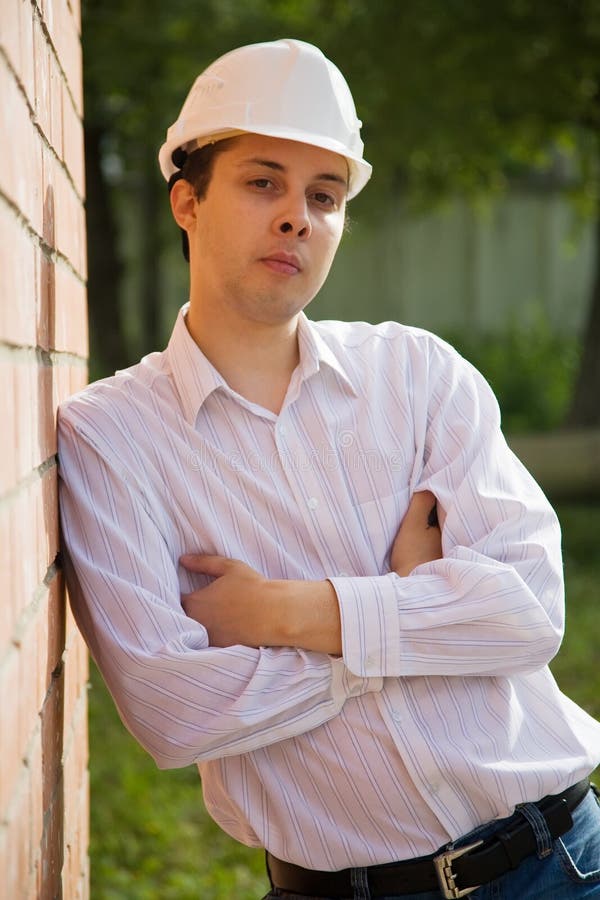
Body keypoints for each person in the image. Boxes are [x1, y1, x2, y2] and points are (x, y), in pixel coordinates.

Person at [58, 38, 600, 900]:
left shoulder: (420, 375)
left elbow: (528, 614)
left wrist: (286, 612)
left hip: (563, 863)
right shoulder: (111, 437)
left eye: (325, 195)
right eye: (263, 182)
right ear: (187, 202)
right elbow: (175, 711)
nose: (297, 218)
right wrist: (411, 616)